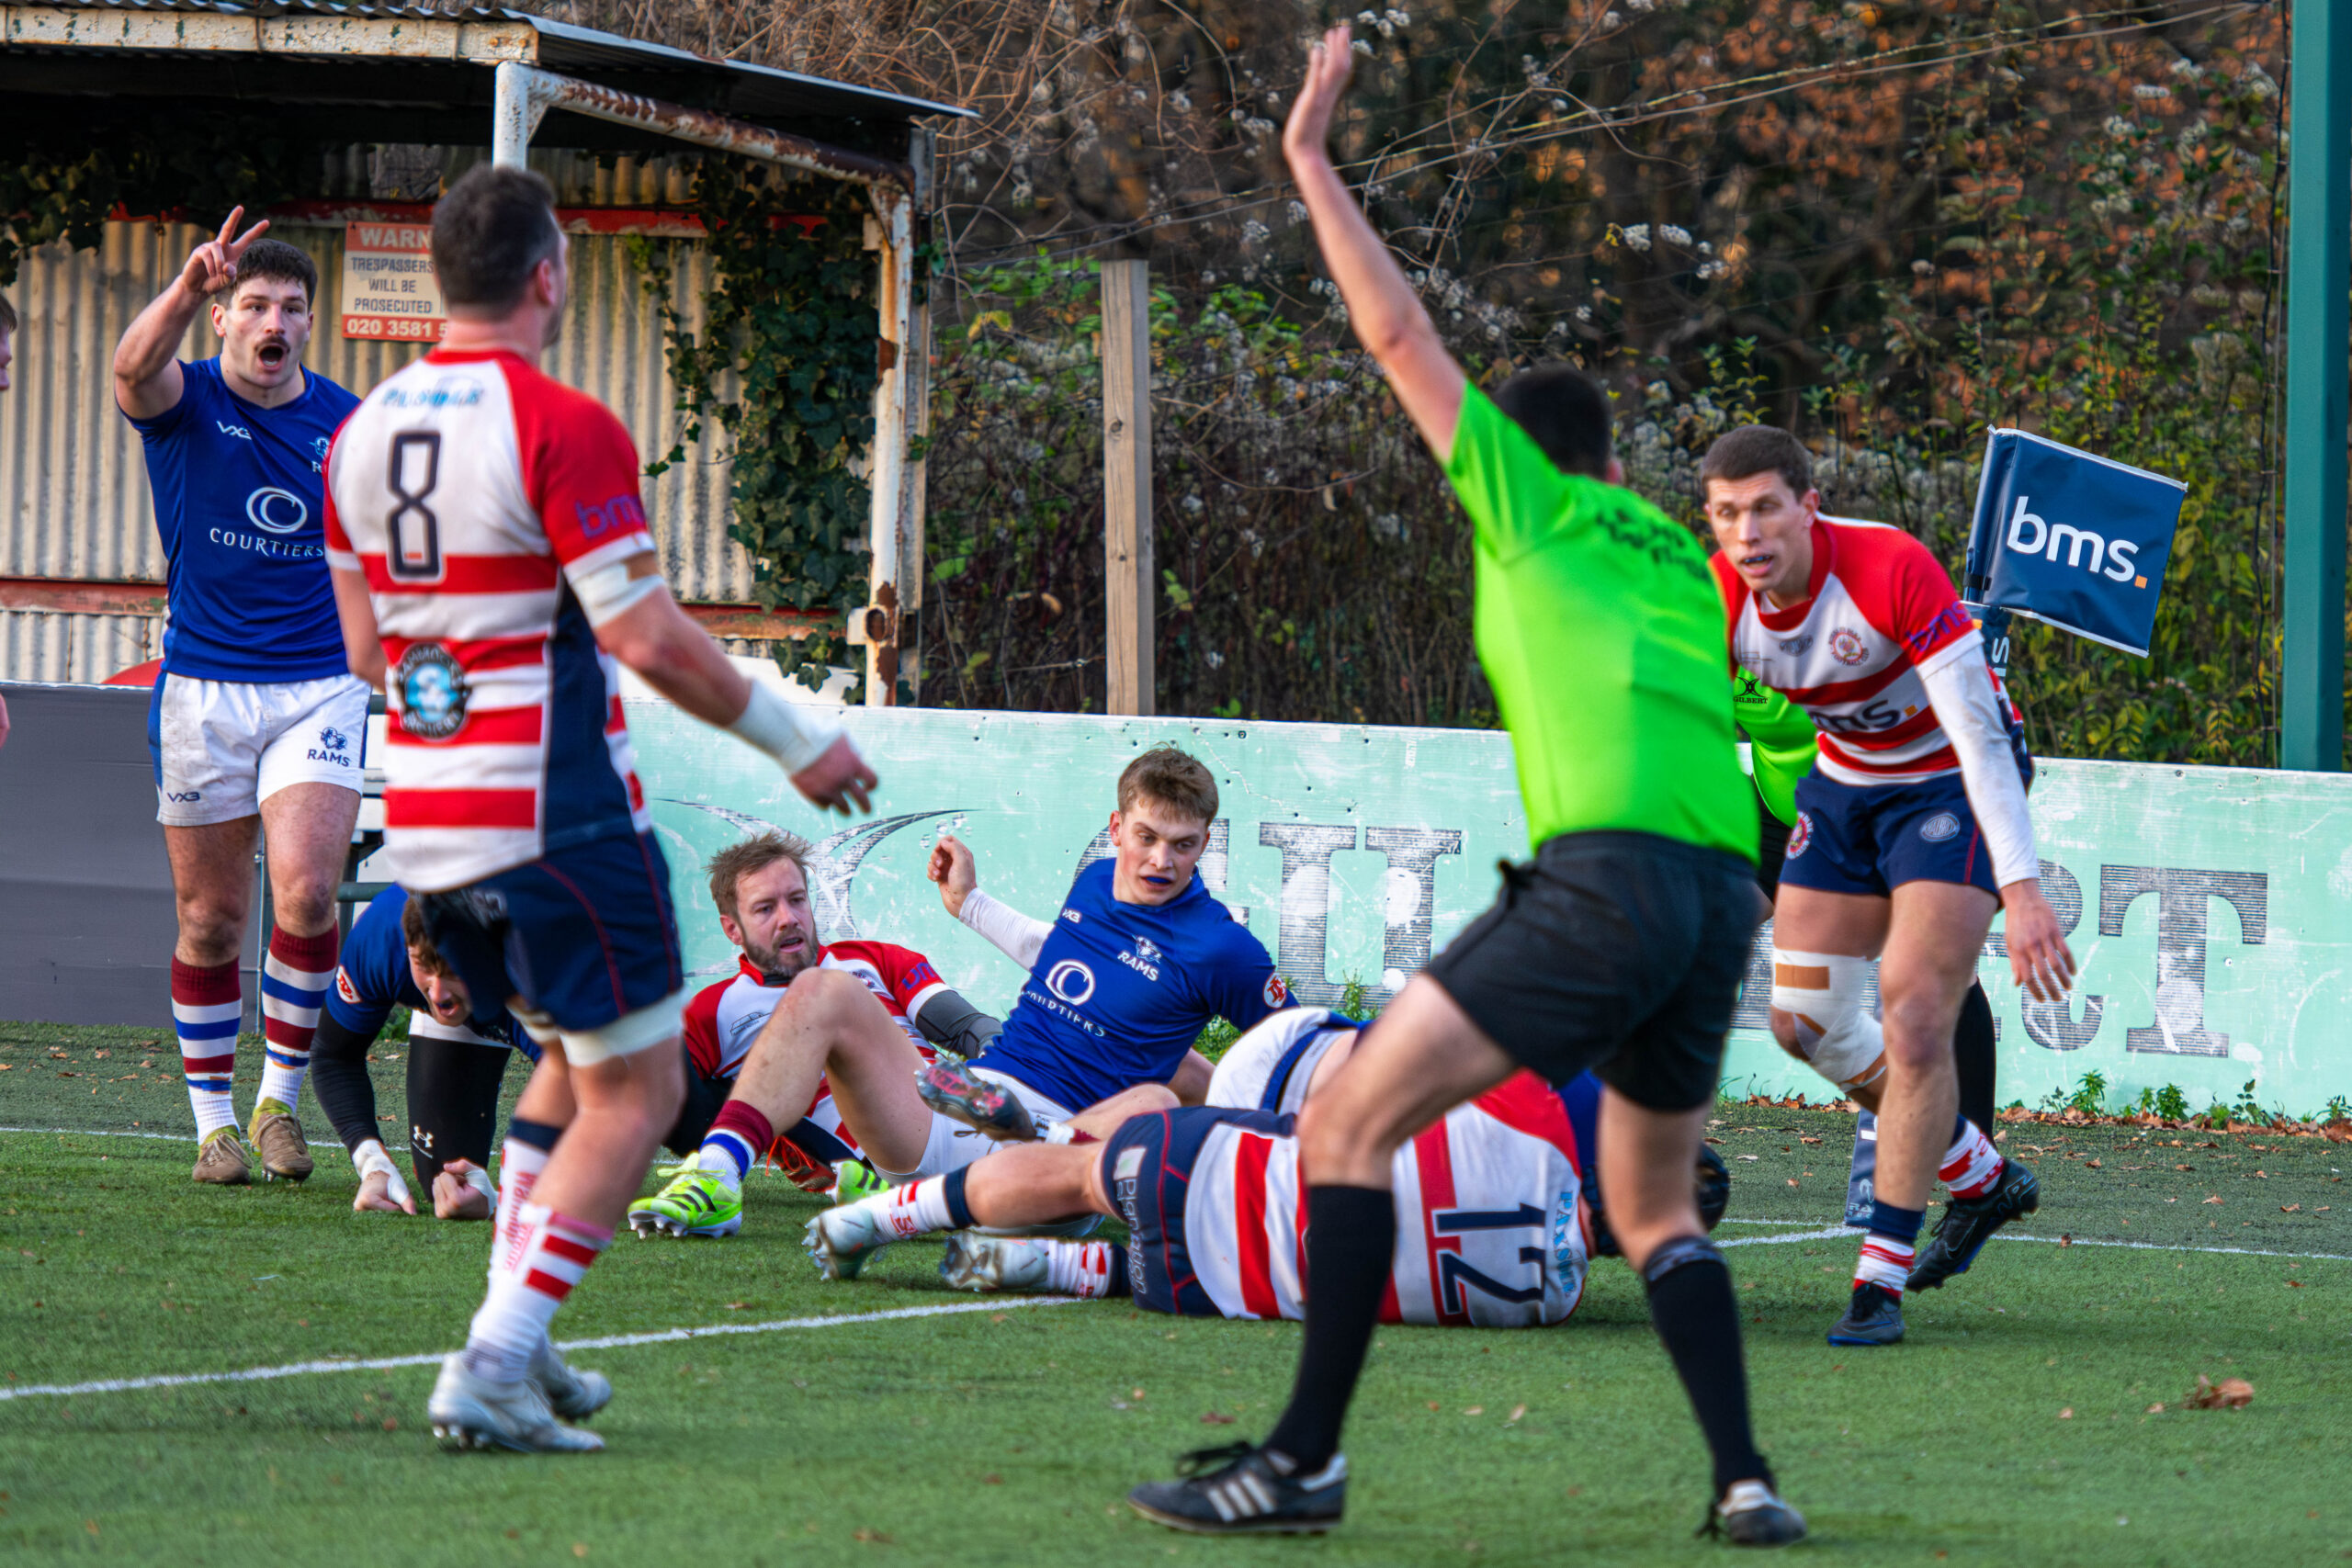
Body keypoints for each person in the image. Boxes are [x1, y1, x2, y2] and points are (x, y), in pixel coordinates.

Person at [1123, 27, 1800, 1546]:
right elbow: (1764, 736)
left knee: (1346, 1123)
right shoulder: (1676, 567)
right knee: (1653, 1203)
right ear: (1618, 463)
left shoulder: (1533, 514)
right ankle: (1746, 1478)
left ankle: (1301, 1462)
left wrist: (1308, 157)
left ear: (1518, 455)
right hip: (1712, 904)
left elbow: (1394, 333)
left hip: (1611, 880)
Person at [323, 164, 877, 1456]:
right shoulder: (560, 420)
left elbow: (364, 646)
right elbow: (643, 631)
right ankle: (495, 1357)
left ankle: (523, 1331)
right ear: (547, 277)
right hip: (560, 814)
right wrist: (796, 735)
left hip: (428, 823)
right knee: (638, 1093)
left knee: (574, 1065)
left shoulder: (359, 434)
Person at [1700, 424, 2072, 1348]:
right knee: (1802, 1024)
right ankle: (1981, 1177)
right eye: (1725, 514)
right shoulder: (1714, 595)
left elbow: (1979, 735)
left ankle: (1879, 1285)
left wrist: (2020, 891)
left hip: (1948, 780)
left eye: (1764, 508)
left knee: (1912, 1017)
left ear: (1808, 505)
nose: (1747, 534)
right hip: (1846, 782)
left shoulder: (1889, 568)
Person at [776, 747, 1284, 1272]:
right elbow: (1062, 953)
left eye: (1183, 845)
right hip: (967, 1109)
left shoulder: (1222, 949)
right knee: (825, 990)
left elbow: (1293, 1045)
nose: (1162, 860)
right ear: (1116, 827)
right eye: (1147, 837)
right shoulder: (1096, 880)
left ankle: (989, 1177)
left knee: (1159, 1094)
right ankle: (720, 1167)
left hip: (1063, 1166)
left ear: (1206, 841)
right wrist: (968, 902)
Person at [114, 210, 367, 1187]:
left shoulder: (348, 423)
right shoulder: (189, 400)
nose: (274, 320)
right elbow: (133, 372)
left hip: (318, 685)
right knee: (212, 918)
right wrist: (183, 287)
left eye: (292, 307)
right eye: (254, 303)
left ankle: (279, 1104)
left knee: (303, 892)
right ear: (223, 318)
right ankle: (211, 1121)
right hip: (205, 691)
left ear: (310, 322)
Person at [627, 830, 1005, 1239]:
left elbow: (971, 1028)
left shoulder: (875, 960)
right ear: (732, 929)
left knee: (822, 990)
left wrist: (1004, 1086)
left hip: (955, 1123)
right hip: (883, 1164)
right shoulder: (714, 1012)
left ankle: (720, 1172)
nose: (788, 918)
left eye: (796, 899)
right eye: (765, 909)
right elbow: (656, 1100)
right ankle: (717, 1174)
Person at [1732, 671, 2002, 1222]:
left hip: (1885, 804)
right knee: (1704, 937)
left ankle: (1978, 1168)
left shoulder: (1851, 629)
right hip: (1781, 811)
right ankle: (1663, 1137)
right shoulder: (1716, 619)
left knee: (1934, 974)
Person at [309, 886, 540, 1220]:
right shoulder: (384, 936)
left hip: (553, 973)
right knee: (450, 1186)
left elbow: (598, 1094)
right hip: (489, 977)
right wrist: (371, 1161)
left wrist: (510, 1196)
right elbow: (334, 1056)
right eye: (424, 965)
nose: (439, 994)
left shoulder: (537, 966)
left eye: (454, 969)